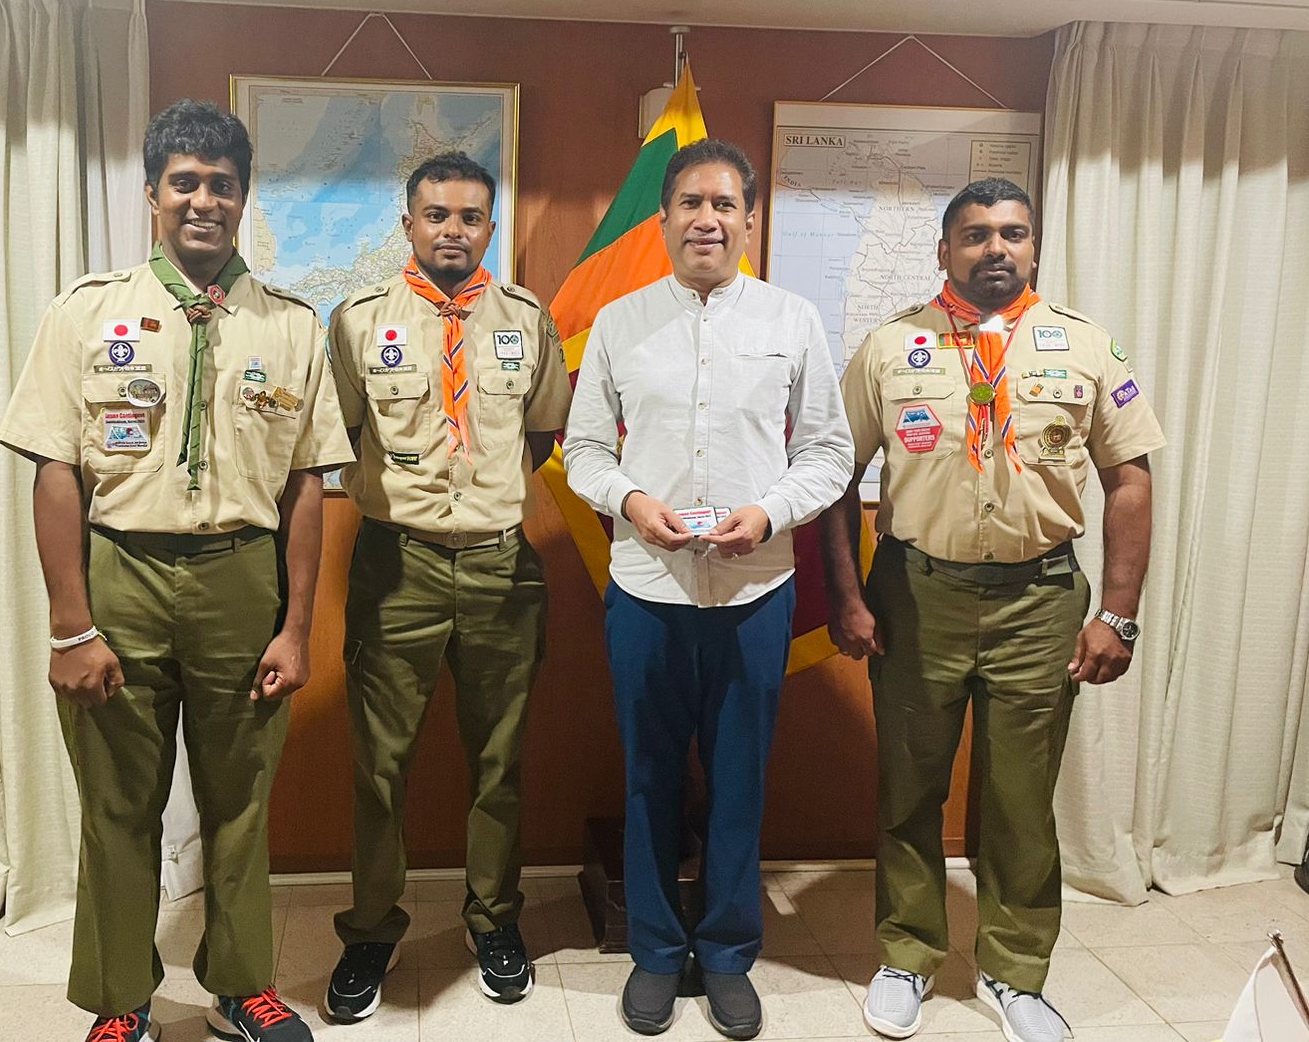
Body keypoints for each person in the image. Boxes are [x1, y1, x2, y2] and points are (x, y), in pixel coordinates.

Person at [0, 99, 352, 1042]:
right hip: (122, 575)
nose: (204, 200)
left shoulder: (289, 326)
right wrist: (70, 625)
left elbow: (309, 485)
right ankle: (121, 1001)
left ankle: (242, 985)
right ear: (152, 193)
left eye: (222, 185)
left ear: (245, 199)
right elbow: (54, 469)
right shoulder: (89, 313)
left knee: (241, 804)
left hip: (244, 579)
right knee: (119, 804)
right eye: (185, 183)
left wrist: (296, 625)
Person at [817, 178, 1164, 1042]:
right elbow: (833, 480)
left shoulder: (1085, 347)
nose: (995, 249)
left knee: (1020, 796)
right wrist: (848, 594)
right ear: (944, 250)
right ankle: (907, 954)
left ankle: (1016, 971)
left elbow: (1129, 480)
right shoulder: (892, 347)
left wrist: (1117, 611)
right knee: (909, 787)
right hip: (915, 594)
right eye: (974, 235)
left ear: (1035, 248)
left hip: (1041, 599)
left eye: (1012, 234)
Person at [563, 138, 853, 1039]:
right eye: (690, 203)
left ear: (750, 221)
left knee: (737, 782)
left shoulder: (793, 320)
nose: (707, 219)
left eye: (725, 205)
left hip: (752, 592)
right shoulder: (618, 320)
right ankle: (655, 951)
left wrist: (769, 513)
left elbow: (829, 453)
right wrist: (630, 500)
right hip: (646, 589)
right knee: (649, 778)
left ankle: (727, 952)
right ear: (663, 218)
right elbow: (582, 451)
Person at [319, 151, 572, 1021]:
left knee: (497, 761)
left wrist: (481, 504)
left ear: (489, 228)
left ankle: (493, 918)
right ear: (409, 225)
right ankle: (371, 930)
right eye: (437, 215)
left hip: (501, 564)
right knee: (379, 766)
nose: (453, 231)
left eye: (470, 217)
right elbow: (342, 436)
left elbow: (540, 437)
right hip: (399, 563)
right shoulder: (356, 321)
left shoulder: (528, 319)